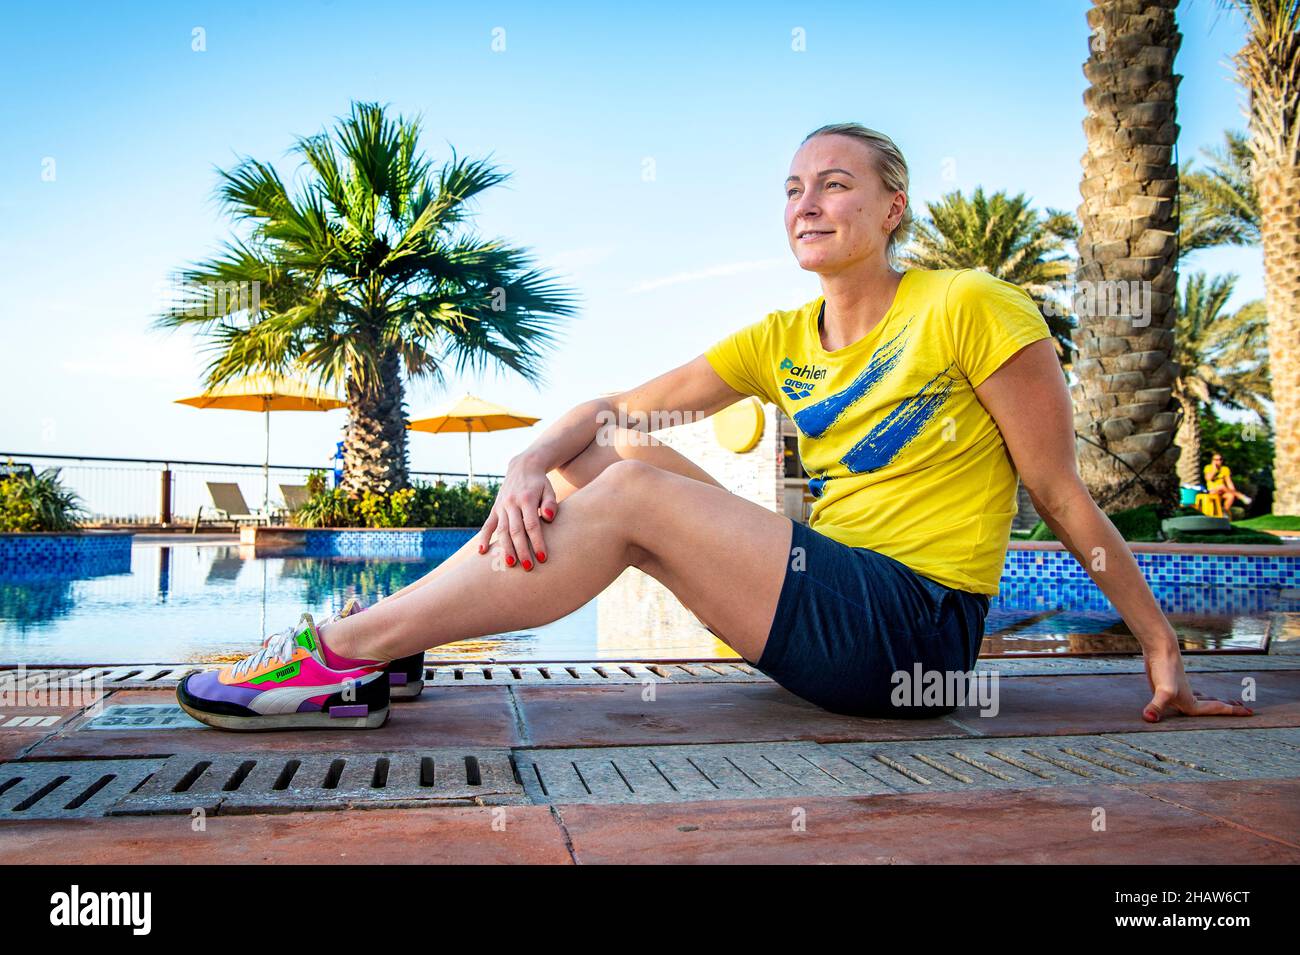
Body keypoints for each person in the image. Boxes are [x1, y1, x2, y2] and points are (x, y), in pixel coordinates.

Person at [177, 122, 1253, 731]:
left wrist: (1159, 643)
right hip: (834, 583)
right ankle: (392, 650)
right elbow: (613, 409)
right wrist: (524, 460)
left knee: (633, 492)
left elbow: (1059, 494)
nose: (806, 205)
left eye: (835, 185)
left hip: (914, 632)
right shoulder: (782, 334)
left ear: (892, 212)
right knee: (616, 456)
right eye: (791, 190)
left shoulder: (970, 306)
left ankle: (341, 651)